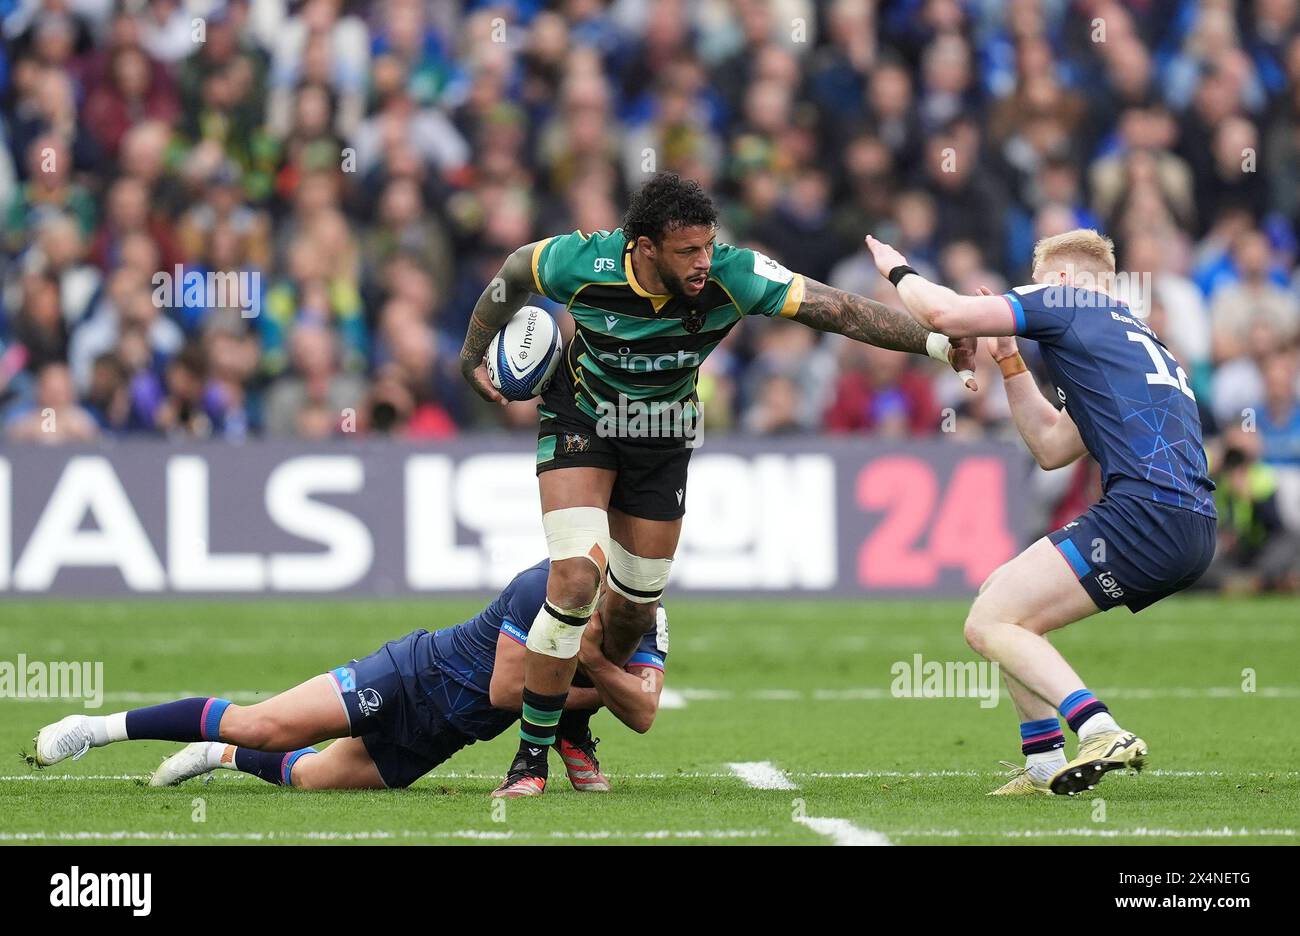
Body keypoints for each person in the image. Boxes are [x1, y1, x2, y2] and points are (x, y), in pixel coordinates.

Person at [459, 172, 977, 796]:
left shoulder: (737, 275)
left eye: (708, 246)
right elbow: (516, 270)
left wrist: (939, 344)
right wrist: (473, 351)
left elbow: (836, 308)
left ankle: (574, 722)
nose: (704, 262)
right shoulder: (582, 261)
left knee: (629, 614)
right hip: (581, 421)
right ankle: (529, 761)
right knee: (574, 579)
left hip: (662, 437)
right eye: (687, 252)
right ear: (644, 247)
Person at [864, 228, 1217, 795]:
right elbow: (1052, 449)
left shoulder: (1067, 303)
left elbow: (943, 310)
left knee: (988, 622)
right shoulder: (1129, 340)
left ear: (1061, 281)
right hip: (1187, 522)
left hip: (1147, 511)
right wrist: (1010, 364)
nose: (1029, 291)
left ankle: (1100, 729)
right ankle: (1044, 760)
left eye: (1035, 281)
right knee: (1004, 599)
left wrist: (897, 269)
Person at [29, 561, 667, 792]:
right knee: (267, 725)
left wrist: (593, 663)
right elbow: (507, 691)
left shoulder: (651, 621)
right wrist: (593, 672)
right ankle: (96, 727)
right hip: (409, 676)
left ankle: (219, 755)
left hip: (443, 736)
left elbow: (641, 711)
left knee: (308, 777)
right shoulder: (547, 587)